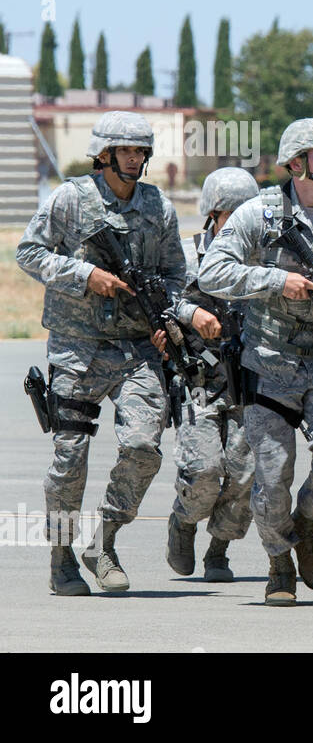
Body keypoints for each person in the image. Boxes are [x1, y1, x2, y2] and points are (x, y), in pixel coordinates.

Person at [17, 111, 186, 594]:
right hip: (78, 348)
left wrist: (168, 318)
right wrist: (83, 275)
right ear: (104, 153)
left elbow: (176, 272)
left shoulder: (158, 207)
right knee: (70, 458)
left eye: (141, 152)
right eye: (126, 151)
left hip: (136, 349)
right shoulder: (71, 198)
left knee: (143, 448)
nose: (135, 159)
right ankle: (61, 557)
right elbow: (29, 251)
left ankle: (104, 540)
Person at [198, 119, 313, 606]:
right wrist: (273, 281)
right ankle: (279, 564)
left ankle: (305, 525)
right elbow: (211, 271)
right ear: (295, 163)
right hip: (269, 364)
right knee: (271, 474)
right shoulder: (258, 213)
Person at [165, 167, 261, 582]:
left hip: (250, 383)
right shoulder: (188, 257)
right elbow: (162, 300)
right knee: (204, 470)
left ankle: (219, 550)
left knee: (246, 473)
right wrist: (193, 312)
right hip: (198, 384)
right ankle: (183, 524)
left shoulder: (263, 260)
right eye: (229, 214)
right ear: (212, 216)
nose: (238, 223)